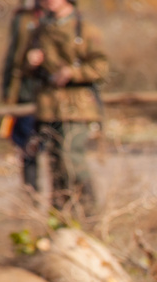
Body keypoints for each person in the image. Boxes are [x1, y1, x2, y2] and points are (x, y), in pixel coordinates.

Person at [24, 0, 107, 214]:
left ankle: (91, 214)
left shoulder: (85, 29)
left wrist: (72, 73)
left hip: (77, 106)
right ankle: (60, 217)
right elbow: (23, 71)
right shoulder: (39, 30)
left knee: (71, 157)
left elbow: (101, 67)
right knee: (55, 164)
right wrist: (31, 63)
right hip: (48, 106)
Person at [1, 0, 44, 193]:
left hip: (55, 95)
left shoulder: (67, 17)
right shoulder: (22, 19)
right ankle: (31, 197)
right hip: (26, 93)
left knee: (56, 148)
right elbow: (12, 56)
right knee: (28, 147)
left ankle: (62, 203)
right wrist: (7, 89)